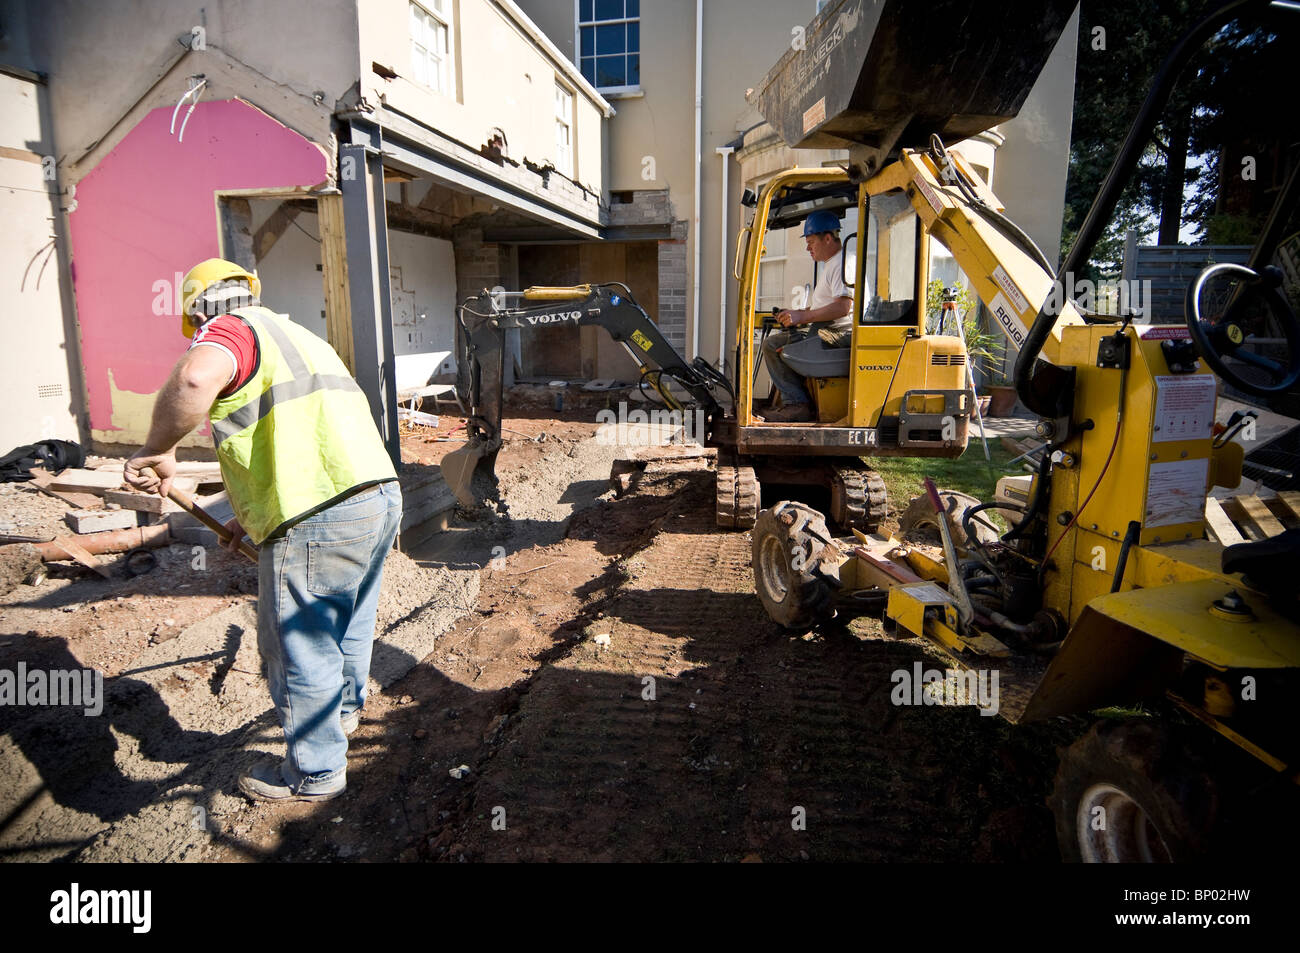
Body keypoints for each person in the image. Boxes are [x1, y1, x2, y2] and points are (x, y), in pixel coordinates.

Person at [124, 258, 401, 802]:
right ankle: (341, 717)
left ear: (200, 309)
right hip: (375, 497)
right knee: (346, 622)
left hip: (315, 513)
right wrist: (248, 521)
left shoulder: (230, 329)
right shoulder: (298, 335)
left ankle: (315, 772)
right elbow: (299, 439)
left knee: (300, 645)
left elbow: (194, 377)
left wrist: (157, 448)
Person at [760, 209, 857, 423]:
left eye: (811, 241)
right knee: (780, 341)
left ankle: (796, 405)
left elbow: (843, 307)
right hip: (826, 329)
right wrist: (795, 314)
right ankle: (795, 401)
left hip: (837, 333)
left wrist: (802, 318)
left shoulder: (843, 264)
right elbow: (826, 306)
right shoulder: (833, 264)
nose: (807, 247)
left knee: (771, 346)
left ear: (828, 238)